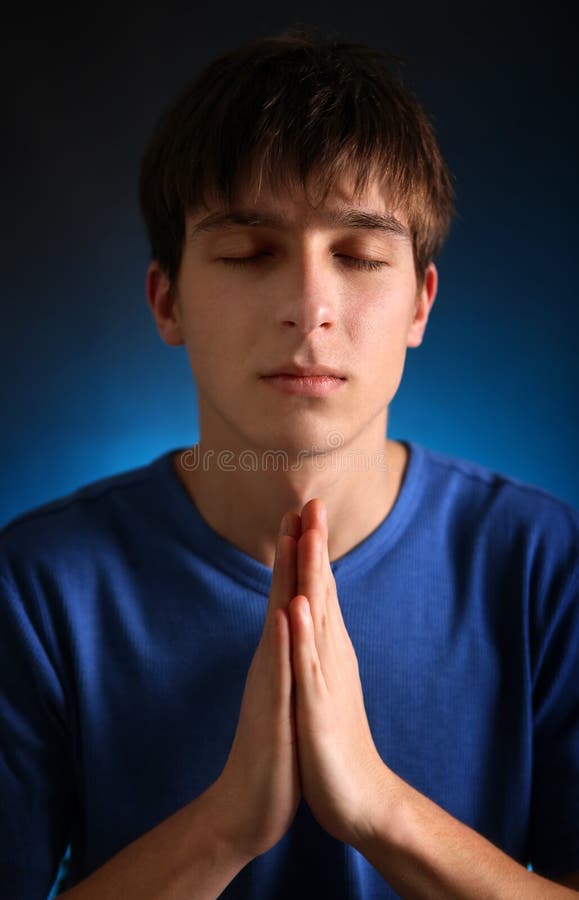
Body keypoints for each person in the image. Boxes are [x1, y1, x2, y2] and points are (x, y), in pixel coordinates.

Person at [1, 25, 578, 900]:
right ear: (168, 299)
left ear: (419, 303)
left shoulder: (542, 561)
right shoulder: (38, 586)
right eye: (248, 252)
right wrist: (227, 824)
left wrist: (378, 808)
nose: (309, 307)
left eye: (357, 255)